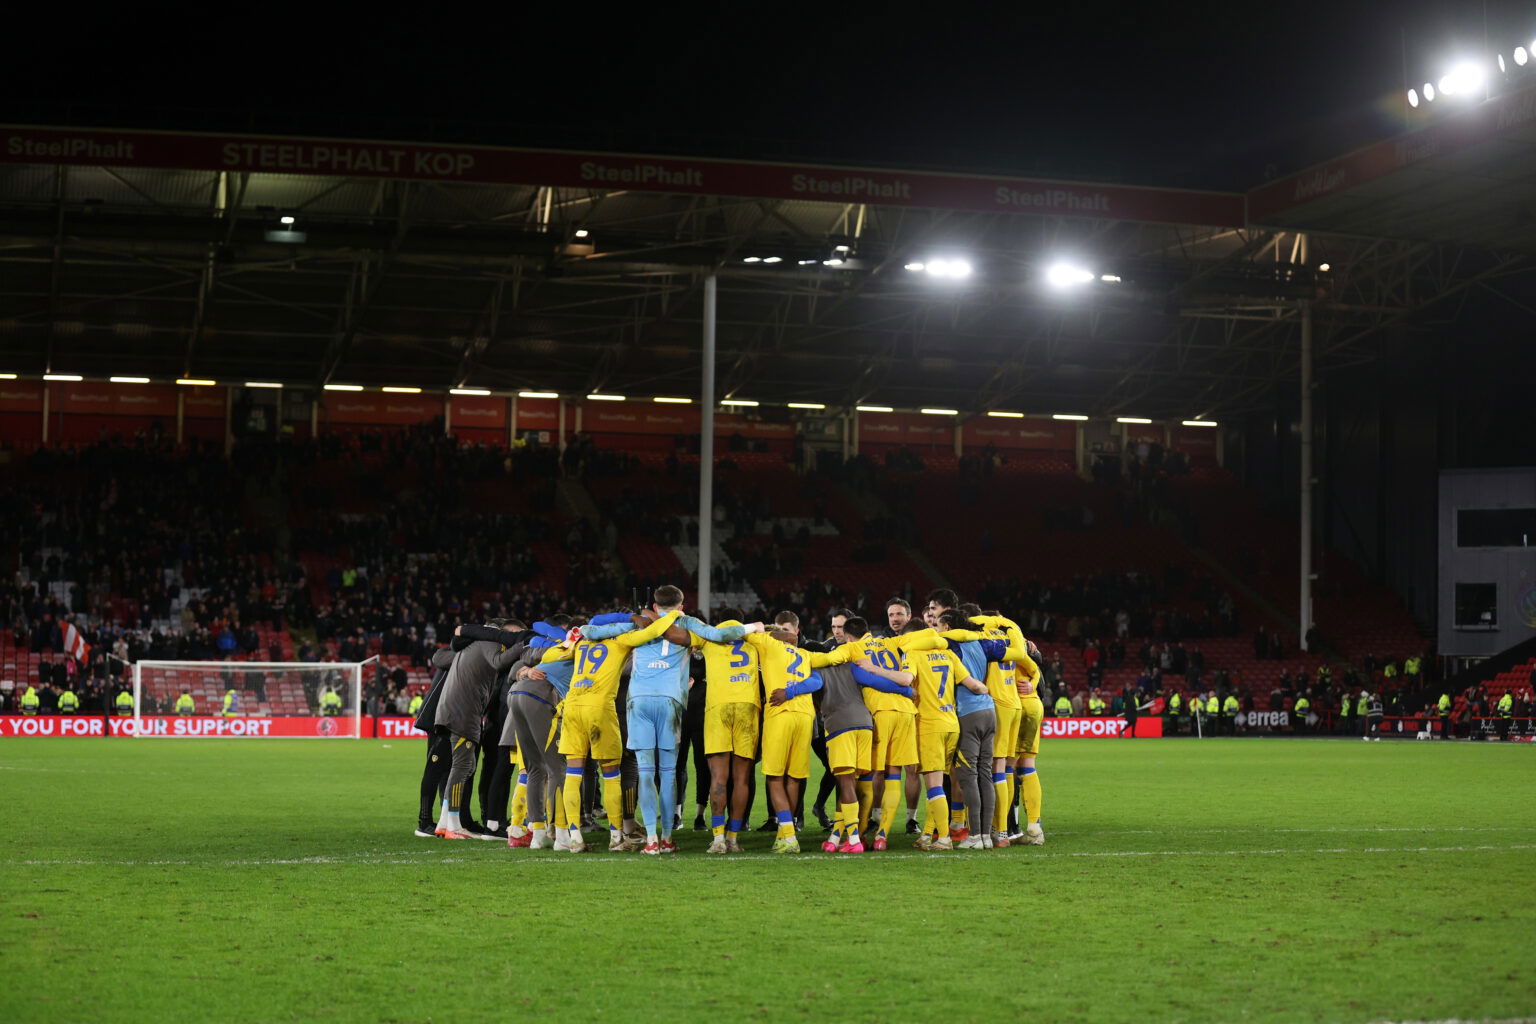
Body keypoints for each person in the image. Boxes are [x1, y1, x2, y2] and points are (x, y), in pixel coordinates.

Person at [583, 587, 754, 854]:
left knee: (646, 774)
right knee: (668, 774)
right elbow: (722, 634)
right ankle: (666, 838)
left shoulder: (639, 625)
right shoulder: (689, 624)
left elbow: (590, 631)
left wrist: (633, 618)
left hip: (639, 701)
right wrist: (755, 626)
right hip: (670, 702)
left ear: (654, 604)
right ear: (681, 605)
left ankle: (651, 840)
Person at [559, 609, 681, 853]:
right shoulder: (622, 640)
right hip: (600, 708)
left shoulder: (582, 642)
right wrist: (672, 615)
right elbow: (654, 631)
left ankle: (574, 838)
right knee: (611, 773)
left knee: (573, 774)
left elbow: (560, 650)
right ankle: (617, 837)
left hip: (572, 707)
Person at [434, 621, 531, 841]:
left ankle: (444, 822)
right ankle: (454, 825)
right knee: (462, 766)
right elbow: (499, 662)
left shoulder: (471, 646)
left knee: (463, 766)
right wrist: (522, 646)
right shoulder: (489, 642)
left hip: (456, 709)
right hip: (463, 712)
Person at [903, 620, 983, 851]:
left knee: (934, 784)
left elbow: (907, 680)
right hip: (952, 724)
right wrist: (985, 690)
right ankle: (927, 835)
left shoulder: (913, 654)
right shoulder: (949, 655)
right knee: (937, 782)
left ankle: (945, 837)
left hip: (930, 725)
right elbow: (972, 684)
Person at [750, 621, 824, 854]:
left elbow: (737, 632)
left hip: (780, 714)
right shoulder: (803, 653)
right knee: (794, 777)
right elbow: (818, 680)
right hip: (805, 715)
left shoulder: (767, 643)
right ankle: (786, 833)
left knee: (774, 777)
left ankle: (789, 835)